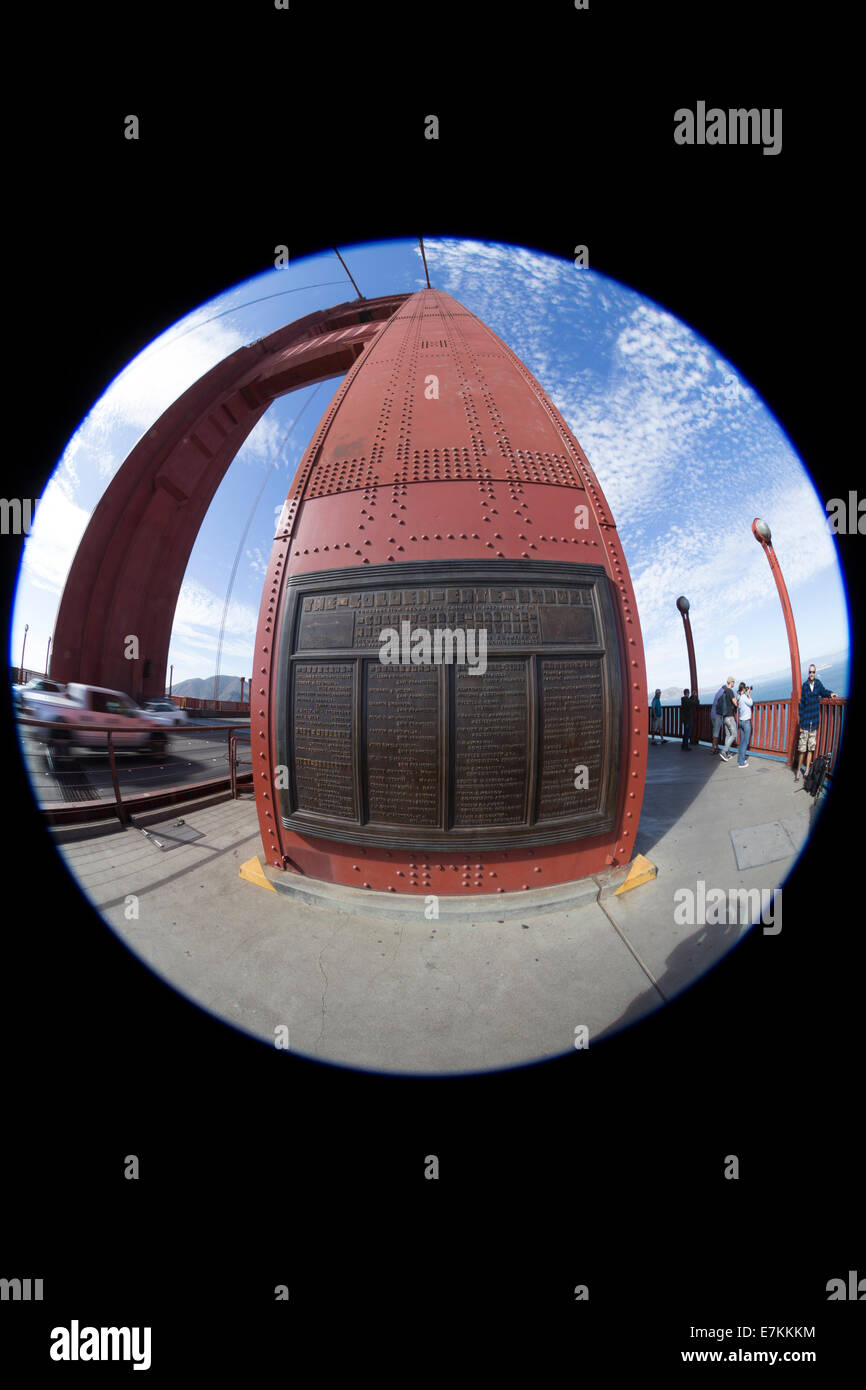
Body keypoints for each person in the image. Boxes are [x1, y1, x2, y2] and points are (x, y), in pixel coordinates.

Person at [795, 663, 836, 782]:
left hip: (814, 721)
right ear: (808, 673)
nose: (812, 674)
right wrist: (801, 724)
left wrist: (830, 693)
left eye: (813, 672)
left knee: (810, 748)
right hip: (806, 722)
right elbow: (802, 705)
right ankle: (798, 770)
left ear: (815, 673)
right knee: (802, 749)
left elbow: (823, 691)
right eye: (810, 672)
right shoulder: (805, 686)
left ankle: (807, 770)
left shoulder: (818, 684)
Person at [718, 677, 738, 762]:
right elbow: (735, 703)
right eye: (733, 682)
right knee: (734, 734)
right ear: (731, 682)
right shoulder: (730, 691)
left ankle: (727, 753)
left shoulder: (724, 691)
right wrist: (738, 699)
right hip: (730, 717)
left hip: (725, 717)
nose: (734, 683)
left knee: (728, 735)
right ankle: (724, 751)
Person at [736, 682, 753, 767]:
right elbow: (751, 703)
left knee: (742, 742)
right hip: (746, 722)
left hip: (741, 721)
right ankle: (741, 763)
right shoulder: (743, 697)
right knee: (745, 742)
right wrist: (749, 693)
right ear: (744, 689)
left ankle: (740, 759)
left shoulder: (739, 697)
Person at [710, 681, 727, 754]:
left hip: (712, 714)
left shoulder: (718, 692)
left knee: (714, 731)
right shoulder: (723, 693)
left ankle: (716, 747)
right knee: (716, 733)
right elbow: (723, 705)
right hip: (717, 715)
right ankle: (713, 749)